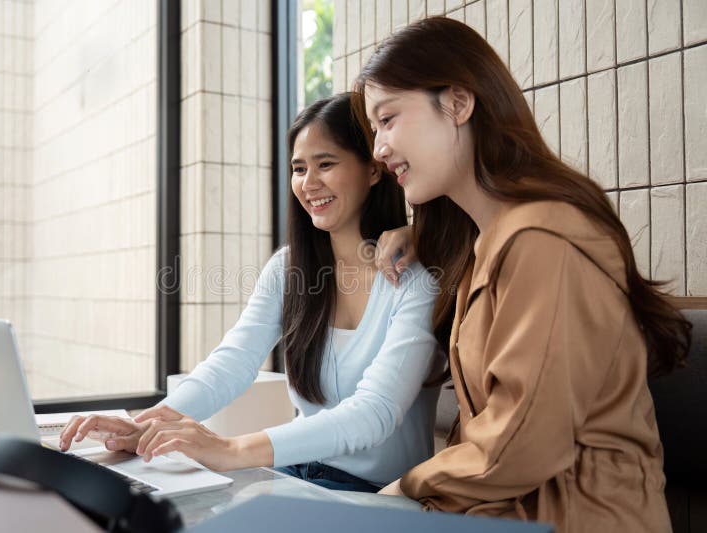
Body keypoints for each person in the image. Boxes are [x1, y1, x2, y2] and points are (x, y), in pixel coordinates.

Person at [355, 16, 690, 532]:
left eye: (388, 118)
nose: (377, 148)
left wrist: (407, 486)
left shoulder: (542, 238)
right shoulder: (487, 242)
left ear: (459, 104)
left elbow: (523, 441)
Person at [59, 93, 442, 493]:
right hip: (296, 477)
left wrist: (232, 449)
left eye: (326, 164)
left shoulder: (414, 277)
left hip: (379, 496)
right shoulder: (288, 269)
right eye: (298, 168)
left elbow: (375, 413)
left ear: (374, 170)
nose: (309, 184)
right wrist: (146, 425)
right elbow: (233, 363)